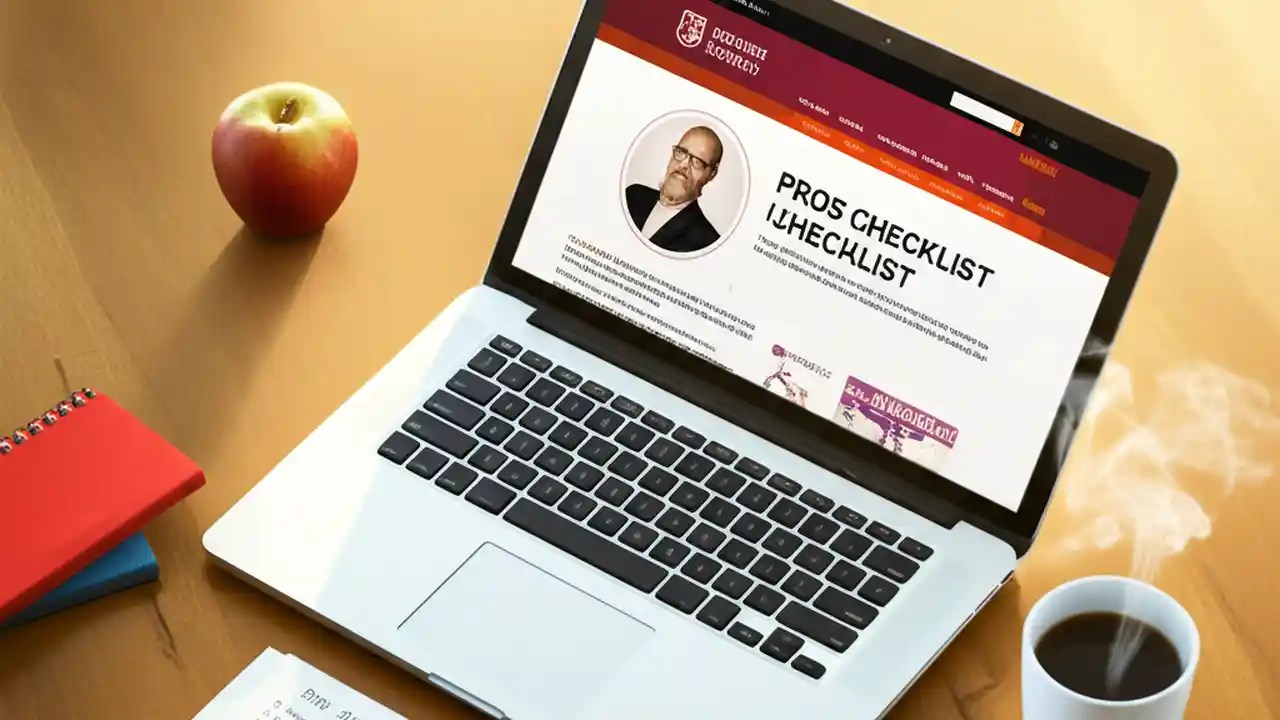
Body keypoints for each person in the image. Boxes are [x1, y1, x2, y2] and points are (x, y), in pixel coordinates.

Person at [626, 125, 724, 253]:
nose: (683, 165)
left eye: (698, 162)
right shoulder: (633, 195)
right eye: (681, 152)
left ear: (711, 175)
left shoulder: (707, 243)